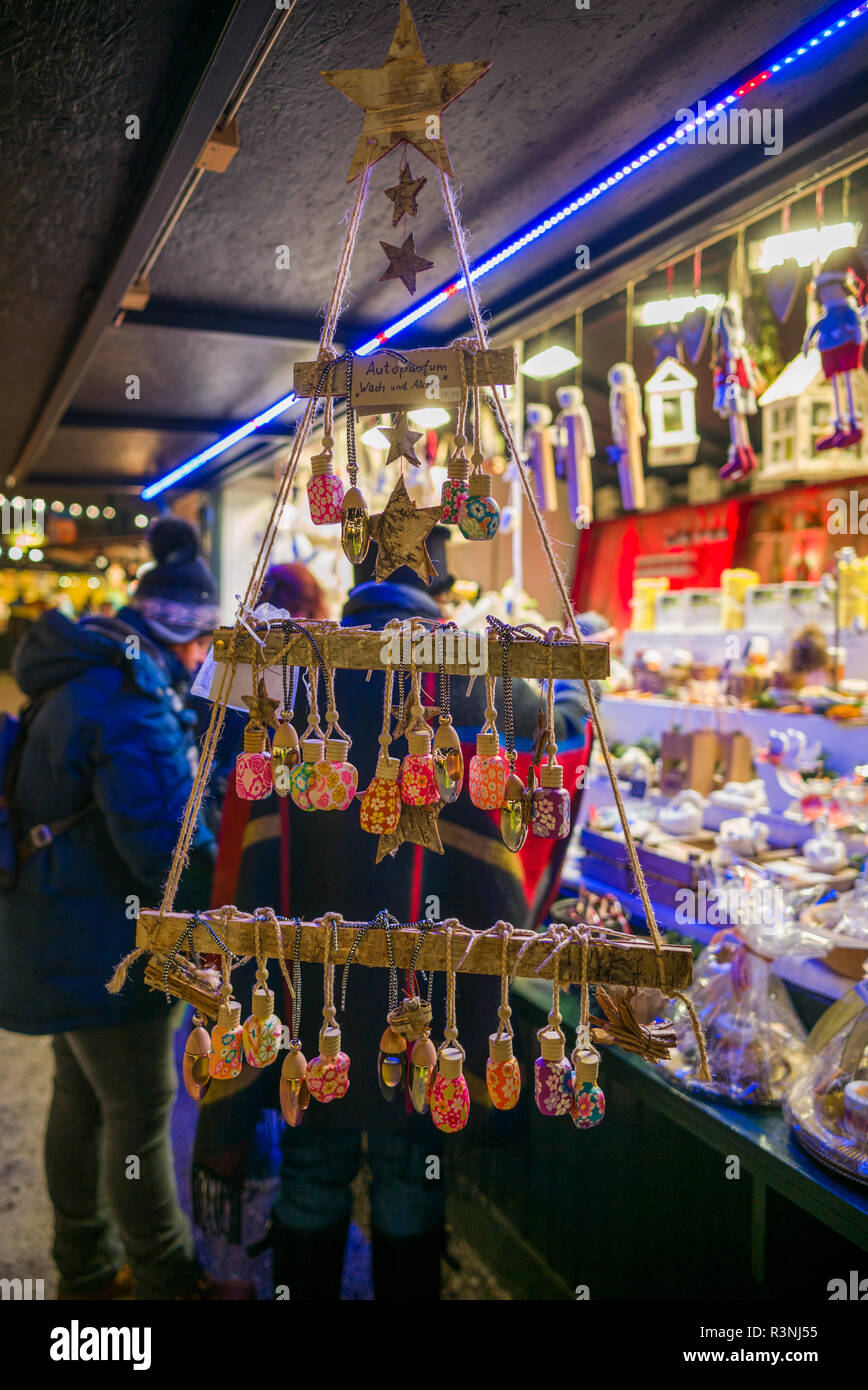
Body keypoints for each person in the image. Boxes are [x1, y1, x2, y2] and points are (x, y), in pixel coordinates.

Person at [203, 530, 591, 1300]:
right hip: (428, 981)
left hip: (313, 976)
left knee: (312, 1165)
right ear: (435, 585)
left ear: (355, 583)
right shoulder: (467, 670)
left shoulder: (299, 667)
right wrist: (570, 666)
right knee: (413, 1172)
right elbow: (571, 714)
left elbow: (236, 799)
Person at [0, 516, 253, 1300]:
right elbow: (164, 850)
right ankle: (167, 1278)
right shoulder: (134, 700)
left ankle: (83, 1266)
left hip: (55, 924)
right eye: (205, 646)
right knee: (139, 1111)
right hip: (108, 939)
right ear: (183, 636)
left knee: (80, 1099)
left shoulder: (85, 669)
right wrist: (235, 895)